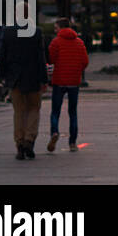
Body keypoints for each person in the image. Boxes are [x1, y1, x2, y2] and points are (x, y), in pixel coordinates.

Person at [0, 22, 48, 160]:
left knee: (19, 111)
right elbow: (41, 57)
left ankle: (19, 143)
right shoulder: (36, 32)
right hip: (33, 77)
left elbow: (2, 55)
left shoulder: (8, 32)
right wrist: (44, 79)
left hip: (15, 78)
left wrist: (4, 75)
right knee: (34, 109)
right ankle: (29, 140)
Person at [47, 18, 89, 153]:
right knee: (73, 112)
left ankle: (54, 132)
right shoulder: (79, 42)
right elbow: (85, 61)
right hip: (73, 81)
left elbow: (51, 59)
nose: (55, 30)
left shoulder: (56, 42)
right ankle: (72, 142)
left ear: (60, 28)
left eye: (55, 28)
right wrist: (76, 70)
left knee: (55, 111)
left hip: (59, 80)